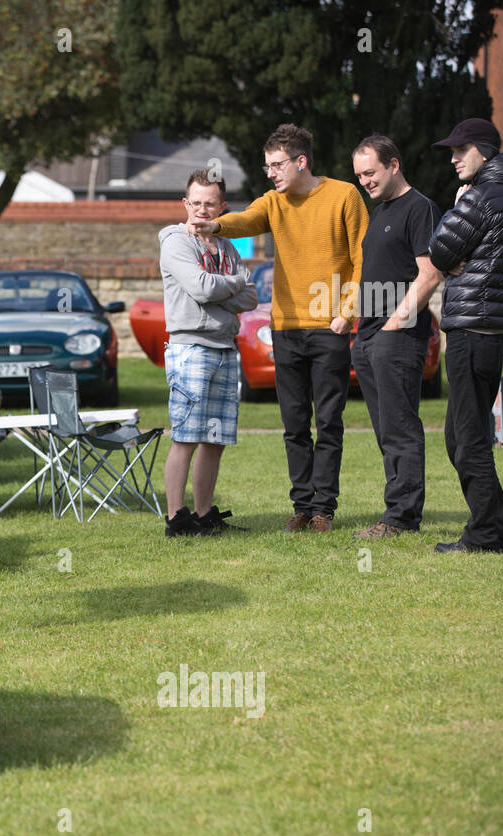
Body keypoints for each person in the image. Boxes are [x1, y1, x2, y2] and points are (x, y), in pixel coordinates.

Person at [190, 124, 367, 532]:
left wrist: (347, 312)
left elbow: (363, 258)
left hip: (330, 327)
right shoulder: (273, 202)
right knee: (293, 424)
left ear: (300, 161)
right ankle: (301, 507)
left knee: (328, 422)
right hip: (285, 329)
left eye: (276, 165)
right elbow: (246, 220)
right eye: (267, 166)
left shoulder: (344, 195)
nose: (270, 173)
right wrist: (213, 225)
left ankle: (324, 509)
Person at [427, 118, 503, 554]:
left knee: (468, 441)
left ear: (483, 153)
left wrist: (456, 206)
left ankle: (488, 535)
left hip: (472, 331)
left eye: (460, 150)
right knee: (461, 435)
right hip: (492, 334)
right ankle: (499, 529)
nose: (452, 158)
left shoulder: (480, 196)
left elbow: (439, 250)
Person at [349, 134, 443, 539]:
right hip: (368, 339)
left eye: (370, 173)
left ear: (393, 165)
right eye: (359, 176)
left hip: (397, 337)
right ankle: (397, 511)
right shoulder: (380, 212)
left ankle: (401, 518)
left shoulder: (419, 208)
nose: (364, 182)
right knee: (386, 429)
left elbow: (430, 274)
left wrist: (392, 325)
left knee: (400, 427)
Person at [157, 170, 257, 537]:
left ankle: (203, 515)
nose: (201, 209)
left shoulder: (228, 247)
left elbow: (253, 296)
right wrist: (234, 284)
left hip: (225, 349)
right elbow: (200, 288)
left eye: (209, 204)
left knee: (215, 439)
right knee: (185, 436)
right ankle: (176, 519)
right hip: (191, 348)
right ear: (185, 204)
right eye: (195, 202)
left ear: (222, 207)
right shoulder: (175, 243)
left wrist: (227, 289)